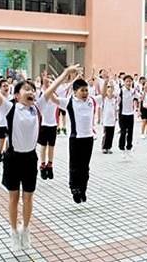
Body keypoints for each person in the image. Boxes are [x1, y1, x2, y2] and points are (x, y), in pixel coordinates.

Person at [0, 56, 49, 251]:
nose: (31, 92)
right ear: (17, 95)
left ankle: (26, 230)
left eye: (33, 89)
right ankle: (13, 232)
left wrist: (65, 75)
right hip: (12, 158)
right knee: (13, 197)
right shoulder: (10, 108)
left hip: (30, 158)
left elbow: (49, 92)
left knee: (28, 197)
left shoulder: (36, 108)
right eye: (27, 89)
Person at [45, 65, 96, 204]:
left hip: (89, 138)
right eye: (82, 90)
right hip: (76, 139)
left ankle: (83, 189)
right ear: (75, 91)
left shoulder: (92, 101)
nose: (85, 93)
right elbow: (51, 97)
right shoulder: (69, 102)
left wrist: (105, 80)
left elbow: (103, 95)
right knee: (75, 166)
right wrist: (49, 84)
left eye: (86, 90)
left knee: (85, 167)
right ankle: (74, 188)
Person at [37, 76, 59, 180]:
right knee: (43, 146)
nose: (49, 84)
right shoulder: (41, 95)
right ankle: (42, 165)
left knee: (51, 146)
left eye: (51, 82)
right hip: (43, 124)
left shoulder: (55, 95)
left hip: (53, 124)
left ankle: (50, 166)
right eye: (47, 82)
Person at [117, 75, 139, 159]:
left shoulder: (133, 91)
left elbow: (139, 97)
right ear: (124, 82)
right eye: (127, 81)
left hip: (130, 114)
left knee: (130, 132)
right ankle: (122, 149)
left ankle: (129, 148)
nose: (129, 83)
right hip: (122, 114)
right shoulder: (121, 91)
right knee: (123, 132)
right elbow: (117, 101)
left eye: (130, 81)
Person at [98, 79, 118, 154]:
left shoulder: (114, 99)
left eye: (111, 88)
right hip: (106, 120)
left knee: (111, 134)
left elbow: (116, 109)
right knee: (105, 134)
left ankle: (109, 147)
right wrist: (100, 118)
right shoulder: (104, 99)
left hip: (112, 120)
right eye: (108, 88)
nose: (110, 90)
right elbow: (100, 109)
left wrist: (116, 117)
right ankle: (104, 147)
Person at [0, 79, 11, 161]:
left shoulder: (12, 97)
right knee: (2, 138)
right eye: (4, 86)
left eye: (7, 85)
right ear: (0, 88)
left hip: (10, 123)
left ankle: (6, 153)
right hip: (2, 122)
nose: (6, 87)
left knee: (9, 139)